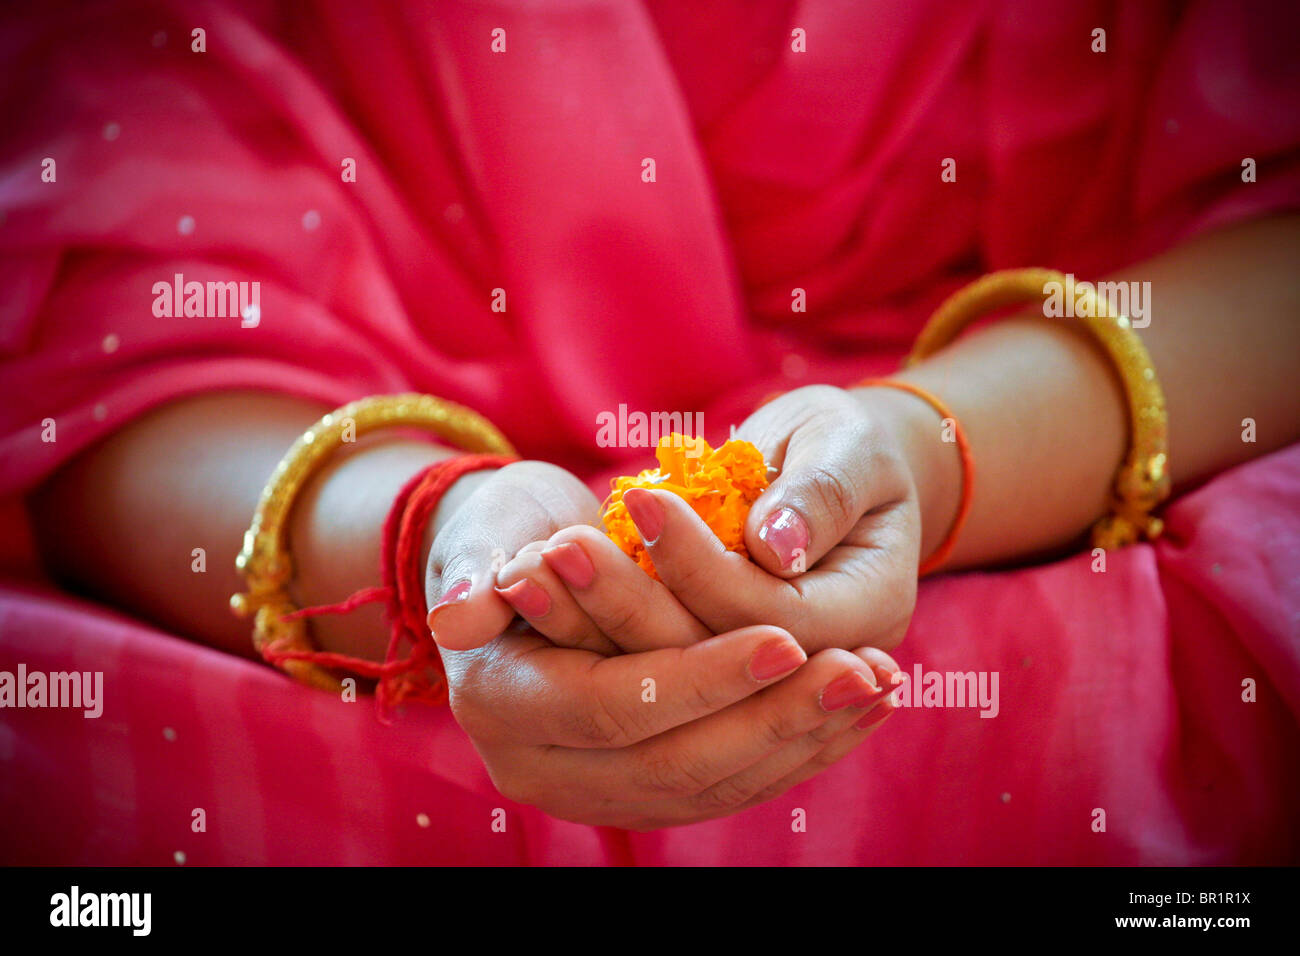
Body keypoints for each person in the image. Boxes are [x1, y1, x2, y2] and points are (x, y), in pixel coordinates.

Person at [3, 1, 1298, 861]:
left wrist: (921, 450)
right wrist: (437, 541)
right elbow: (102, 343)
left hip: (1076, 459)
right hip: (365, 567)